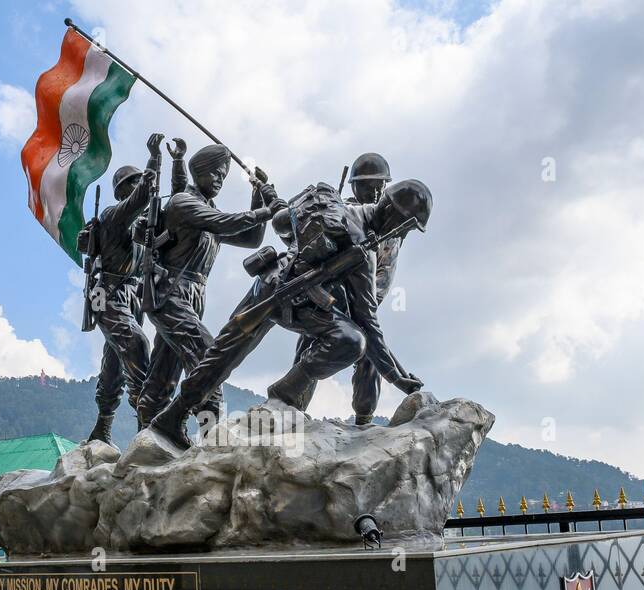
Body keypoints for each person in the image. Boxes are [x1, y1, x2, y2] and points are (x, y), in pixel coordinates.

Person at [146, 179, 431, 451]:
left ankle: (174, 415)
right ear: (394, 213)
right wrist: (397, 378)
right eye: (407, 227)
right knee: (351, 340)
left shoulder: (333, 210)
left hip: (271, 281)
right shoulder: (362, 249)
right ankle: (282, 395)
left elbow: (283, 224)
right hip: (294, 299)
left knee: (223, 355)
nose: (403, 234)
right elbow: (368, 323)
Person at [135, 144, 283, 427]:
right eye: (215, 173)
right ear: (199, 172)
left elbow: (251, 239)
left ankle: (149, 430)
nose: (219, 180)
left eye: (224, 176)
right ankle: (212, 431)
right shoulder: (182, 203)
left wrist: (257, 197)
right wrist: (266, 211)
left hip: (192, 296)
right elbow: (224, 223)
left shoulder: (207, 208)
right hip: (170, 292)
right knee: (208, 357)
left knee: (165, 369)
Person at [292, 151, 405, 424]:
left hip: (361, 303)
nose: (376, 191)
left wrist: (363, 306)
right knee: (308, 348)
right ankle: (291, 406)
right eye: (370, 185)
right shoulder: (335, 212)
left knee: (370, 355)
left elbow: (383, 277)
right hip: (324, 300)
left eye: (381, 185)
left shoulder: (388, 226)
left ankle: (364, 419)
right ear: (355, 185)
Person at [80, 133, 166, 445]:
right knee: (136, 344)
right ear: (123, 192)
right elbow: (143, 196)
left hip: (131, 296)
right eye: (133, 183)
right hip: (107, 293)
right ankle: (147, 418)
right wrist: (154, 160)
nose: (140, 187)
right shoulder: (114, 216)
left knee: (116, 359)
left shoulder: (144, 226)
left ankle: (103, 425)